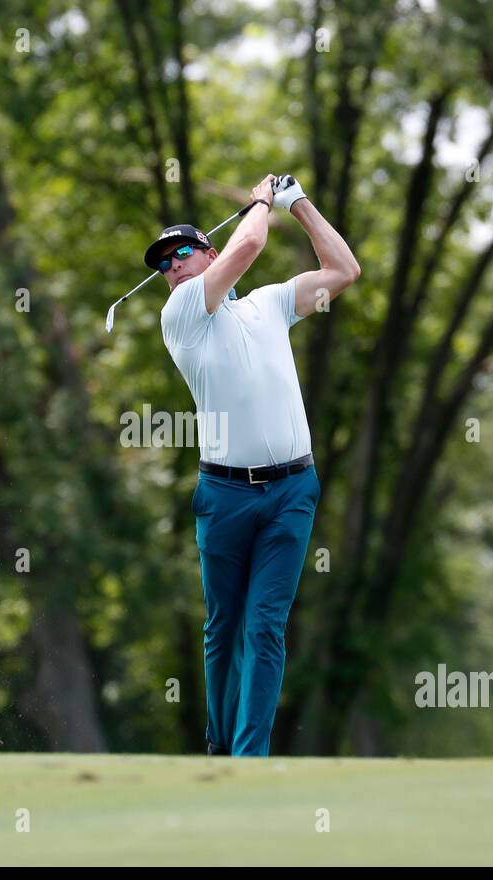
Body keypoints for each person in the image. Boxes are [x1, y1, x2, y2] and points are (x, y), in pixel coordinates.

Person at [143, 173, 360, 756]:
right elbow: (248, 246)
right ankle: (219, 745)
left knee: (264, 627)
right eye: (164, 265)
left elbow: (344, 272)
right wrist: (262, 200)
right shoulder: (182, 314)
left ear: (205, 252)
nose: (174, 268)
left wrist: (299, 204)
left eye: (182, 253)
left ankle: (249, 758)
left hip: (293, 491)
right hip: (224, 496)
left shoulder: (269, 305)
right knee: (222, 630)